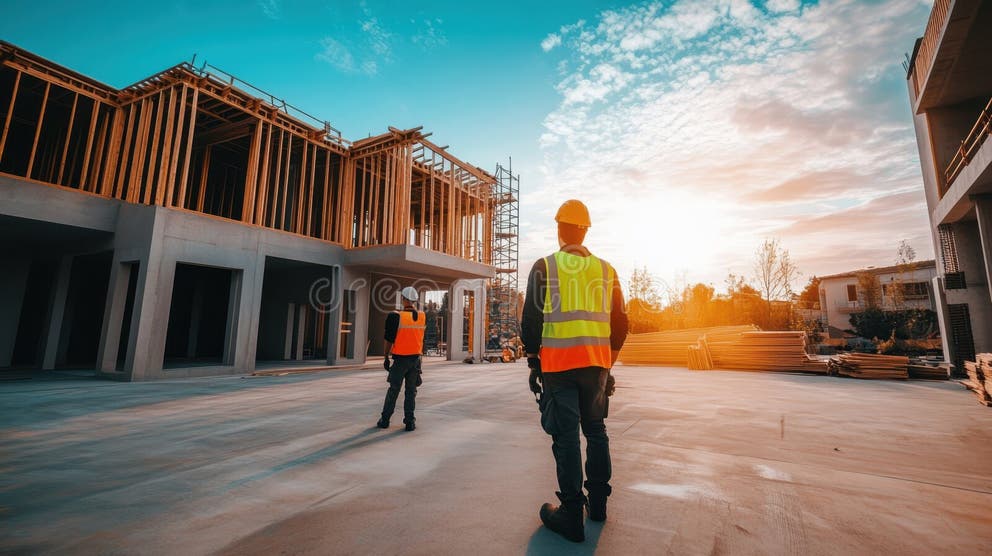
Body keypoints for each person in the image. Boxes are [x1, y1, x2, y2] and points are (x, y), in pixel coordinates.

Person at [521, 199, 628, 542]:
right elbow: (621, 324)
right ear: (584, 231)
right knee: (595, 430)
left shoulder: (545, 267)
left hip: (559, 367)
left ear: (559, 230)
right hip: (596, 365)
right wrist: (607, 365)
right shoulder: (606, 271)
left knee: (566, 437)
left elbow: (531, 323)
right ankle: (597, 504)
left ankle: (571, 512)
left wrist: (533, 361)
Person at [377, 287, 425, 432]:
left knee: (394, 390)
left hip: (400, 361)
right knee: (411, 392)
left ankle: (385, 420)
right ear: (415, 300)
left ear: (403, 299)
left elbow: (388, 340)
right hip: (416, 360)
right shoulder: (422, 316)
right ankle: (410, 422)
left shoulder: (395, 316)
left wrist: (386, 356)